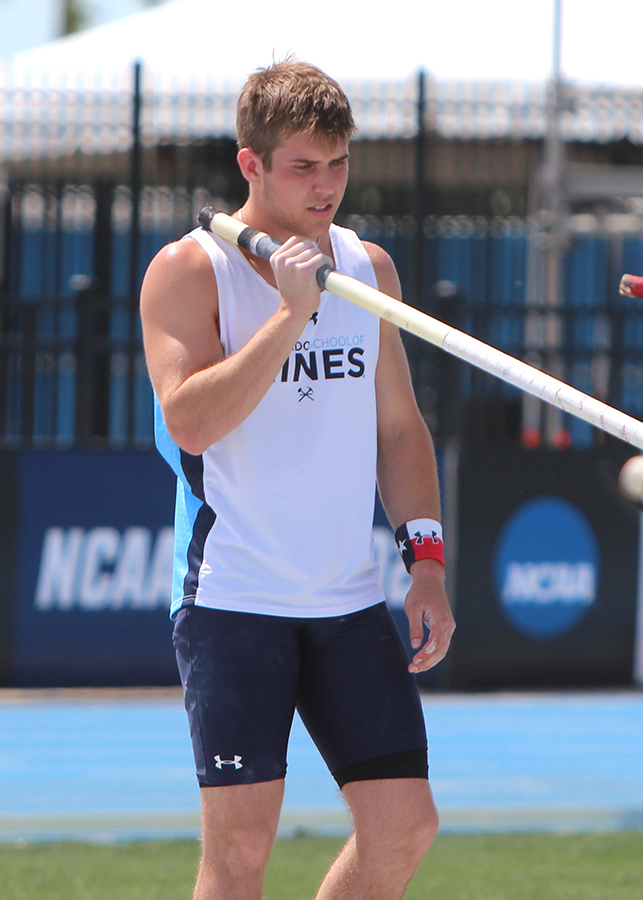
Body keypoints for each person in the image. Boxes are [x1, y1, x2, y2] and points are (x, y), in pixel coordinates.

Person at [139, 58, 454, 900]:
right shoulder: (187, 270)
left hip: (347, 596)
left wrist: (425, 561)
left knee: (405, 826)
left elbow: (398, 429)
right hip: (236, 597)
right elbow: (191, 420)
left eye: (339, 163)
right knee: (240, 855)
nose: (327, 186)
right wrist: (289, 315)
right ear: (252, 165)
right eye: (304, 166)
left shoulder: (368, 268)